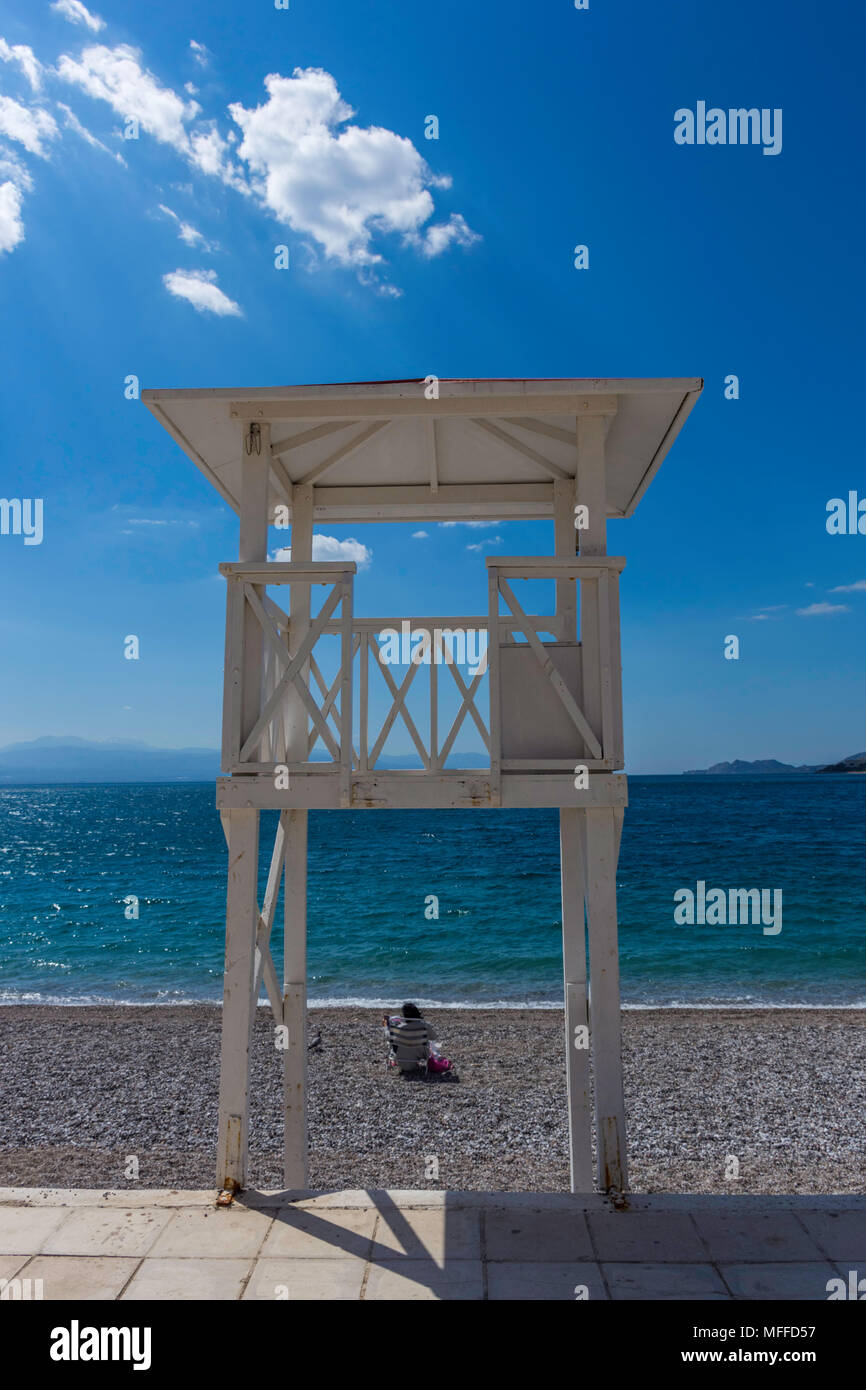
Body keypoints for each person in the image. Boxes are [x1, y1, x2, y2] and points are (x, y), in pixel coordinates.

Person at [383, 1002, 455, 1078]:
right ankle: (438, 1058)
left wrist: (386, 1025)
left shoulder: (399, 1028)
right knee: (431, 1044)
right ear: (416, 1012)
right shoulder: (424, 1026)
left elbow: (388, 1036)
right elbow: (434, 1037)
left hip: (402, 1060)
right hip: (419, 1053)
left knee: (394, 1041)